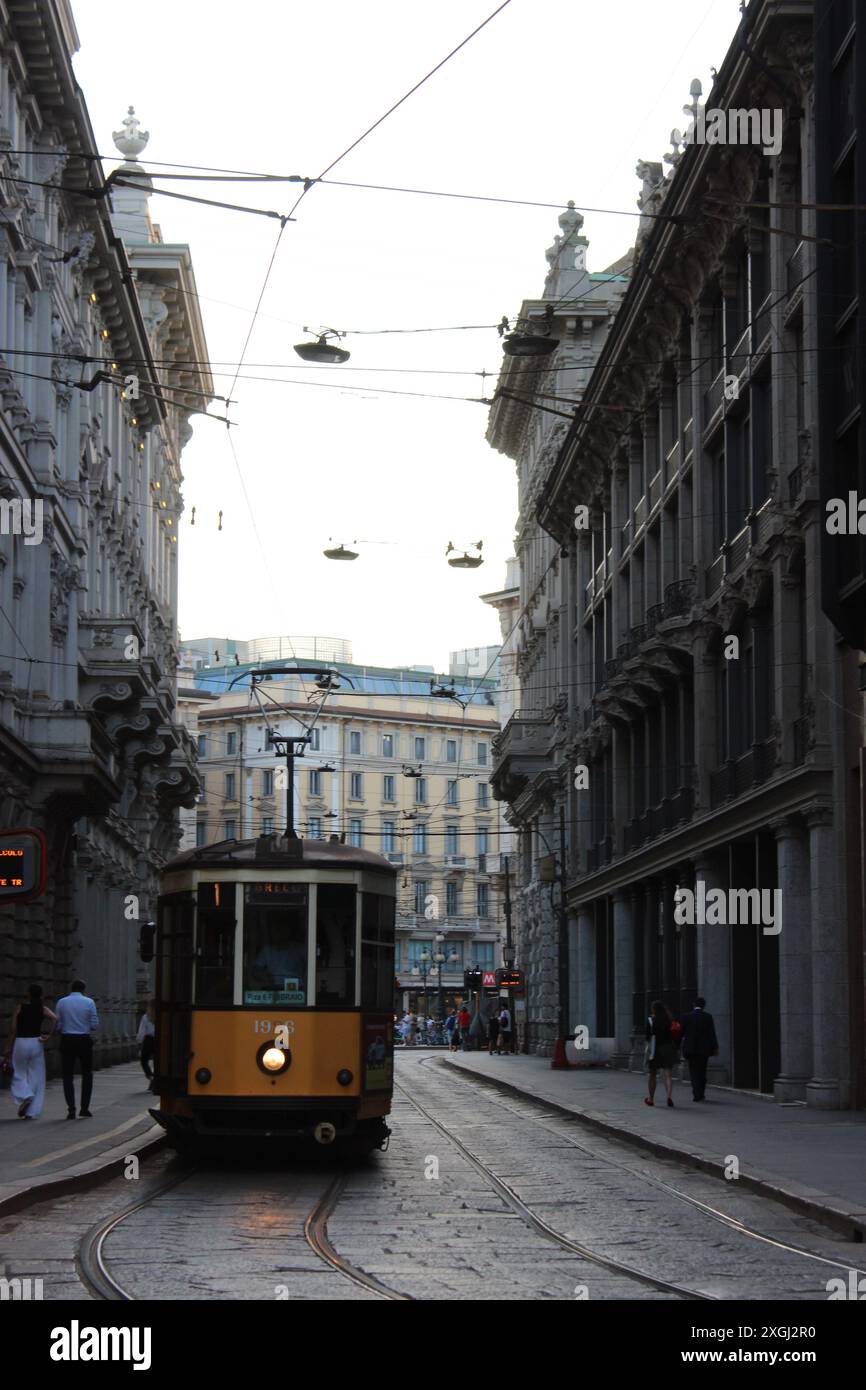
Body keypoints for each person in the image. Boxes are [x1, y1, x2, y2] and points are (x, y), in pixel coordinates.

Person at [3, 985, 56, 1119]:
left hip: (21, 1042)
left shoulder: (20, 1007)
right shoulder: (42, 1009)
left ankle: (25, 1095)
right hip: (36, 1042)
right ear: (41, 995)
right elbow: (55, 1018)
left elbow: (13, 1029)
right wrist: (49, 1035)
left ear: (28, 994)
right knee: (37, 1076)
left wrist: (8, 1046)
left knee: (17, 1072)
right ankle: (31, 1112)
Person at [55, 979, 99, 1119]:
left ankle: (71, 1109)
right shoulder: (89, 1002)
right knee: (87, 1074)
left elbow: (58, 1025)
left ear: (71, 988)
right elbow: (94, 1025)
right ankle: (84, 1108)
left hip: (67, 1040)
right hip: (84, 1040)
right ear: (83, 989)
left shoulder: (62, 1002)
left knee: (67, 1076)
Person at [680, 995, 719, 1101]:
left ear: (694, 1005)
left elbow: (681, 1033)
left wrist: (678, 1045)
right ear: (704, 1006)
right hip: (704, 1050)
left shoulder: (686, 1017)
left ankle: (696, 1093)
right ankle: (701, 1093)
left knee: (693, 1071)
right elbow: (712, 1033)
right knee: (702, 1071)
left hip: (690, 1049)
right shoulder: (708, 1017)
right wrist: (715, 1047)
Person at [644, 1000, 678, 1107]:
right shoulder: (669, 1019)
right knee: (668, 1074)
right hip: (667, 1048)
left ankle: (651, 1099)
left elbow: (647, 1037)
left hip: (655, 1049)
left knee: (652, 1074)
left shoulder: (650, 1020)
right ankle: (669, 1096)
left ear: (653, 1009)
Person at [136, 1002, 156, 1090]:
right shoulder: (161, 1015)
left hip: (148, 1040)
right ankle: (156, 1078)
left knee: (144, 1061)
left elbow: (141, 1032)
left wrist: (139, 1042)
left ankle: (151, 1076)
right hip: (159, 1040)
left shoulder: (146, 1017)